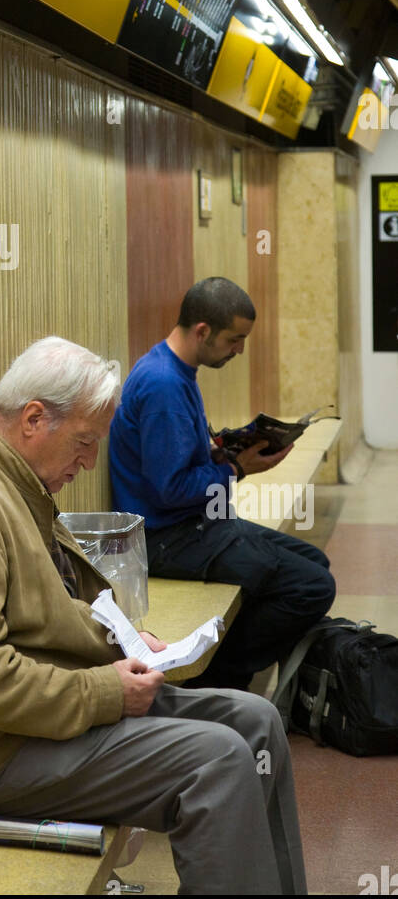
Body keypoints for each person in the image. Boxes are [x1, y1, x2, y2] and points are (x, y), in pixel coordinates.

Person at [0, 335, 307, 895]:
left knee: (255, 723)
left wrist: (127, 641)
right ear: (34, 418)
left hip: (44, 712)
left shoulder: (15, 481)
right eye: (84, 443)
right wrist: (105, 693)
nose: (88, 462)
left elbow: (49, 610)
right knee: (218, 761)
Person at [110, 277, 336, 691]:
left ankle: (244, 664)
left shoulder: (174, 370)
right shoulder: (164, 386)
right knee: (312, 587)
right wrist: (238, 469)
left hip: (195, 524)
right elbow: (171, 489)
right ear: (202, 331)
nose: (239, 350)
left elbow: (177, 464)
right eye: (234, 340)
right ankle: (216, 677)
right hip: (166, 538)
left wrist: (225, 450)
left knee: (314, 564)